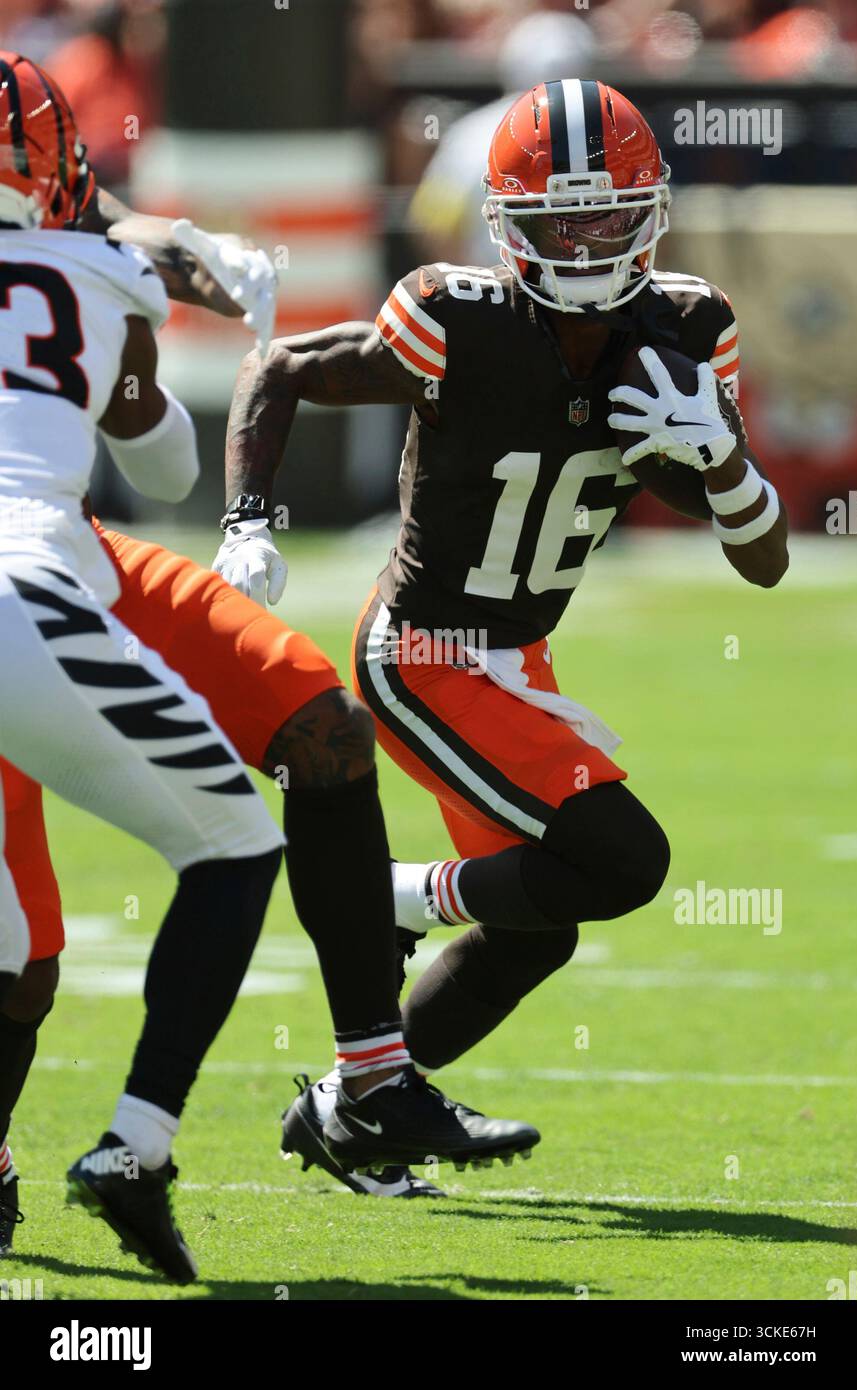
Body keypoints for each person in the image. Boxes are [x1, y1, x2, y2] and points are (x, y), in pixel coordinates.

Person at [0, 54, 541, 1268]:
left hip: (70, 554)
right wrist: (151, 271)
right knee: (22, 960)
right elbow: (164, 464)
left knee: (321, 733)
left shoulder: (85, 251)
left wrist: (149, 249)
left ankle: (372, 1080)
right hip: (29, 573)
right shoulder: (86, 257)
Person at [214, 78, 788, 1163]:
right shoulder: (454, 318)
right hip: (421, 650)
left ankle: (354, 1112)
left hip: (513, 654)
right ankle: (396, 899)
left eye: (606, 215)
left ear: (649, 211)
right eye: (557, 218)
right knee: (623, 857)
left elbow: (761, 561)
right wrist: (247, 519)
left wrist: (720, 461)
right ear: (507, 225)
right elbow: (277, 365)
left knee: (538, 927)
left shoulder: (687, 326)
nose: (584, 241)